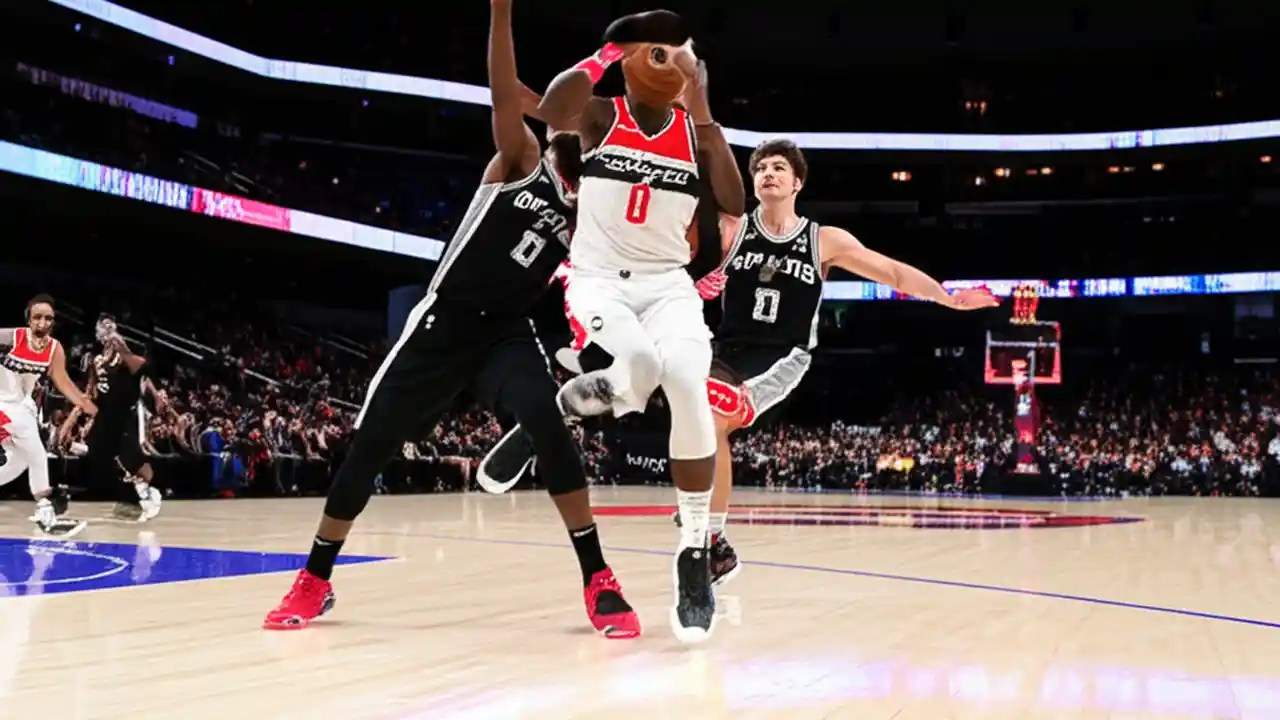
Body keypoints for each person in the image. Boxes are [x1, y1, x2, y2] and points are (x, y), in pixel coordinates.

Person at [263, 0, 640, 639]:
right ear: (559, 130)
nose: (590, 134)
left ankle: (598, 577)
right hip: (444, 322)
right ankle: (315, 577)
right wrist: (502, 13)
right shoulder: (520, 159)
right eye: (580, 124)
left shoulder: (591, 214)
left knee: (547, 424)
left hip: (505, 333)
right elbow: (504, 91)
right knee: (370, 447)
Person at [504, 9, 745, 644]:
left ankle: (694, 550)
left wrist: (703, 107)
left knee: (687, 382)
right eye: (656, 51)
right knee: (640, 365)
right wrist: (607, 54)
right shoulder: (601, 115)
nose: (670, 61)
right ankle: (572, 401)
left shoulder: (694, 132)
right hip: (600, 279)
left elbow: (734, 200)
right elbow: (553, 109)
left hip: (668, 285)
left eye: (679, 53)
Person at [677, 138, 1001, 581]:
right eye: (761, 168)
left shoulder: (822, 239)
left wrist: (946, 297)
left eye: (778, 167)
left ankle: (713, 541)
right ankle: (704, 512)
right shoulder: (732, 231)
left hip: (782, 356)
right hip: (727, 349)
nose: (768, 173)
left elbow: (892, 272)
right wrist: (687, 284)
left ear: (797, 182)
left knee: (712, 416)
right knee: (684, 405)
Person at [0, 294, 98, 536]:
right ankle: (45, 511)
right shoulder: (11, 337)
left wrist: (85, 404)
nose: (42, 323)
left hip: (20, 406)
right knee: (36, 453)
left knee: (19, 461)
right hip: (4, 405)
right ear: (28, 319)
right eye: (37, 317)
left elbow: (62, 381)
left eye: (48, 318)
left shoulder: (54, 348)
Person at [77, 314, 165, 522]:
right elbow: (90, 390)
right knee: (99, 454)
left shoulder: (125, 352)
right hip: (105, 413)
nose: (106, 330)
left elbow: (141, 369)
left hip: (127, 411)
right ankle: (132, 495)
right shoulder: (96, 359)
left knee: (132, 455)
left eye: (110, 326)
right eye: (102, 326)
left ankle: (147, 490)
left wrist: (124, 349)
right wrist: (79, 416)